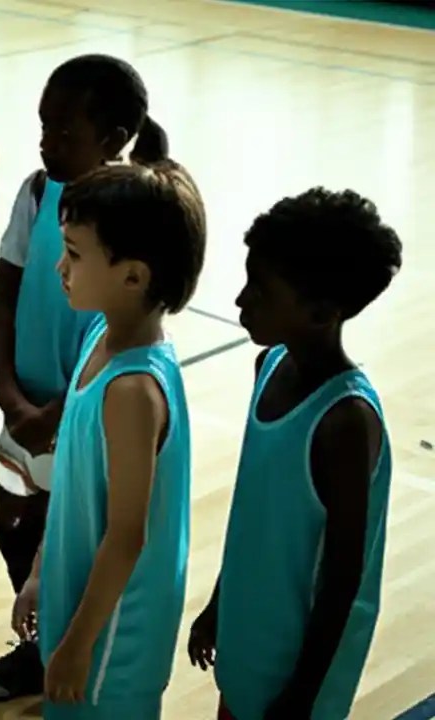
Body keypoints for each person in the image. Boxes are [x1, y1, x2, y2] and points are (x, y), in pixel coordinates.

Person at [0, 53, 168, 701]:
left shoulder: (129, 221)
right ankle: (39, 646)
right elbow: (4, 293)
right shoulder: (34, 192)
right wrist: (7, 388)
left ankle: (65, 653)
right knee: (12, 532)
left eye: (64, 132)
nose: (47, 142)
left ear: (111, 141)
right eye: (43, 127)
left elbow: (111, 339)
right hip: (21, 407)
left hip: (78, 421)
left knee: (67, 547)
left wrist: (52, 415)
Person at [187, 189, 401, 720]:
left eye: (259, 290)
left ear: (322, 313)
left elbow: (342, 581)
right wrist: (219, 604)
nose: (239, 300)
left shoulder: (345, 423)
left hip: (299, 667)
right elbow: (257, 518)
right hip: (249, 627)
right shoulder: (269, 366)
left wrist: (302, 697)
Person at [12, 162, 206, 719]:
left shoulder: (133, 392)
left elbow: (126, 537)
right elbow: (73, 486)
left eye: (74, 253)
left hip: (113, 641)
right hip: (78, 606)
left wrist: (78, 646)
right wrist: (40, 573)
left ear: (133, 276)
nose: (59, 266)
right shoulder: (101, 334)